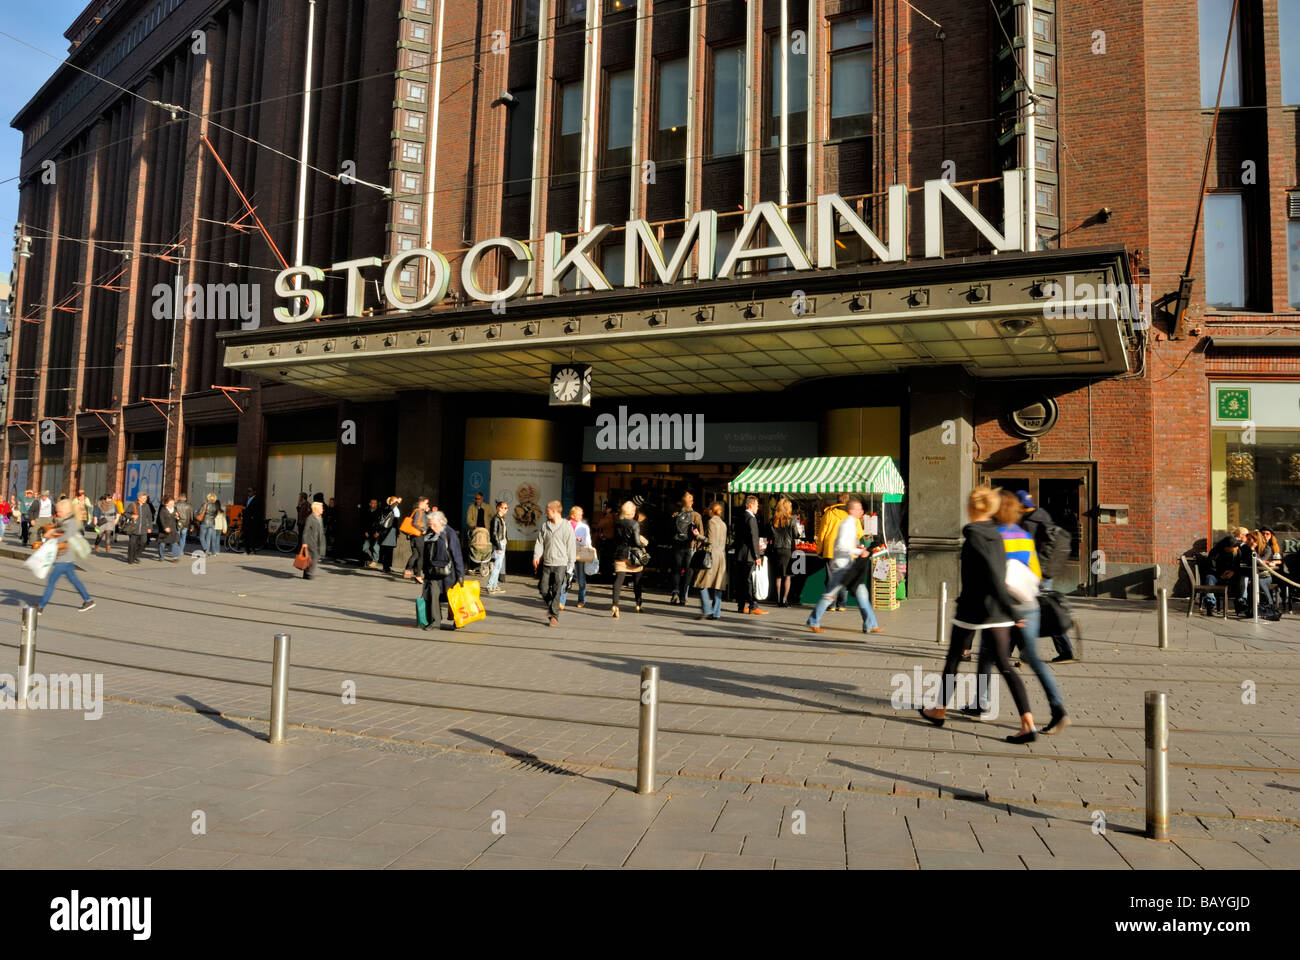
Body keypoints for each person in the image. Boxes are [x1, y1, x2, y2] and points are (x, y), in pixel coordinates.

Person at [919, 486, 1039, 744]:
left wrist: (1009, 609)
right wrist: (1009, 610)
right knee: (1005, 666)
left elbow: (993, 576)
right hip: (997, 611)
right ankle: (1027, 722)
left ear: (970, 508)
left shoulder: (974, 536)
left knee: (953, 660)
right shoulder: (996, 534)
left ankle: (938, 710)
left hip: (975, 610)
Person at [977, 494, 1069, 733]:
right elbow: (1036, 573)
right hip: (1029, 605)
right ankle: (1057, 708)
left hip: (1004, 608)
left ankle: (981, 702)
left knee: (987, 654)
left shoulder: (994, 537)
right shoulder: (1025, 536)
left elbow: (991, 576)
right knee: (1033, 659)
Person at [1014, 490, 1076, 662]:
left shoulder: (1028, 523)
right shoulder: (1043, 516)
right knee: (1045, 610)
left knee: (1029, 611)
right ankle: (1065, 651)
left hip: (1033, 574)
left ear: (1020, 505)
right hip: (1045, 572)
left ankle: (1026, 652)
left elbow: (1026, 551)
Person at [805, 499, 881, 634]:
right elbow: (842, 546)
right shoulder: (847, 524)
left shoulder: (850, 522)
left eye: (861, 509)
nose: (861, 511)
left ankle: (870, 624)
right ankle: (813, 620)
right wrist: (859, 551)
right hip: (841, 566)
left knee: (861, 593)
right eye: (858, 509)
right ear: (851, 510)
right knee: (829, 595)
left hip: (846, 565)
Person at [32, 498, 95, 613]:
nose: (58, 514)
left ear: (66, 511)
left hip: (65, 557)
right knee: (74, 580)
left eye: (59, 511)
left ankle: (41, 606)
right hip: (65, 557)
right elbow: (61, 532)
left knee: (51, 581)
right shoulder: (66, 519)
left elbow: (67, 536)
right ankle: (88, 600)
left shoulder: (72, 522)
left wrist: (51, 539)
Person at [533, 500, 577, 627]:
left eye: (547, 511)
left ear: (554, 511)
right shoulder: (545, 526)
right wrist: (537, 555)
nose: (546, 514)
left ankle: (554, 616)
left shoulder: (566, 526)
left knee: (557, 589)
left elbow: (571, 546)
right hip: (547, 563)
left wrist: (571, 565)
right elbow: (540, 542)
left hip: (561, 564)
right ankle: (552, 605)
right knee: (543, 588)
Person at [420, 510, 465, 631]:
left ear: (441, 522)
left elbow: (457, 554)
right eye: (430, 524)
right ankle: (435, 622)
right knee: (433, 594)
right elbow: (425, 554)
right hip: (433, 572)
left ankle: (459, 620)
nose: (432, 527)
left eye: (434, 525)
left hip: (448, 571)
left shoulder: (449, 533)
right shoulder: (430, 533)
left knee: (453, 597)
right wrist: (423, 571)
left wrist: (461, 574)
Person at [816, 493, 855, 612]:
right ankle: (842, 604)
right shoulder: (851, 515)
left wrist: (819, 550)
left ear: (836, 500)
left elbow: (822, 533)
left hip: (830, 549)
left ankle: (831, 604)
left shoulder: (829, 513)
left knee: (831, 578)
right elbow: (859, 532)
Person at [611, 500, 648, 618]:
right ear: (632, 512)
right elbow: (637, 542)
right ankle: (638, 603)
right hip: (634, 555)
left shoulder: (617, 523)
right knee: (637, 580)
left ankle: (615, 605)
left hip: (620, 554)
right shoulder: (635, 524)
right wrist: (644, 543)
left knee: (619, 580)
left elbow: (615, 539)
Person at [694, 501, 728, 620]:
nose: (707, 510)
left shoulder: (711, 522)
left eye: (709, 508)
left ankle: (707, 609)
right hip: (722, 556)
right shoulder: (723, 524)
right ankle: (716, 612)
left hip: (712, 555)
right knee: (718, 585)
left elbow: (710, 540)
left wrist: (698, 535)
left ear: (712, 510)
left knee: (701, 583)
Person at [733, 495, 767, 615]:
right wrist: (757, 556)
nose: (758, 508)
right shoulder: (751, 518)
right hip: (748, 555)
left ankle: (741, 605)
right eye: (757, 505)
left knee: (741, 580)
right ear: (751, 505)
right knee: (749, 580)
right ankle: (753, 605)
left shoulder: (740, 517)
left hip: (739, 554)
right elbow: (754, 538)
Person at [669, 492, 704, 606]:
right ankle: (683, 598)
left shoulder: (676, 514)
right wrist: (698, 547)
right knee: (688, 573)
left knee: (676, 570)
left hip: (677, 546)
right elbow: (701, 534)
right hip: (690, 547)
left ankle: (675, 591)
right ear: (692, 502)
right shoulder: (696, 515)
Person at [1200, 531, 1244, 616]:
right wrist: (1220, 575)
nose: (1237, 548)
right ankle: (1210, 603)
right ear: (1227, 547)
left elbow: (1238, 565)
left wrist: (1233, 572)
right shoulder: (1215, 552)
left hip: (1231, 576)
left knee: (1242, 578)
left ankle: (1241, 602)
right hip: (1216, 575)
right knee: (1209, 578)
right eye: (1234, 547)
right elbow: (1211, 566)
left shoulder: (1237, 552)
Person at [768, 497, 800, 608]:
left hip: (776, 549)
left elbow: (770, 535)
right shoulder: (791, 520)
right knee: (787, 576)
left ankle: (777, 599)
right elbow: (796, 535)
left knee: (778, 576)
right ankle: (784, 600)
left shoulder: (773, 520)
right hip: (787, 550)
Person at [562, 505, 591, 609]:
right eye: (578, 514)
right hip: (568, 554)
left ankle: (581, 600)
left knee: (581, 578)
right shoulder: (565, 525)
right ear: (572, 515)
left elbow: (587, 542)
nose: (580, 516)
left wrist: (580, 541)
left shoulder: (584, 527)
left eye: (581, 514)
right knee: (566, 577)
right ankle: (562, 601)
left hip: (580, 553)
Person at [404, 496, 431, 582]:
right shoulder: (419, 511)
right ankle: (418, 575)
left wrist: (427, 512)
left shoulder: (418, 511)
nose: (427, 505)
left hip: (414, 536)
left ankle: (408, 570)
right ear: (421, 503)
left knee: (415, 554)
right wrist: (423, 530)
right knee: (420, 556)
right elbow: (415, 523)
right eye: (426, 503)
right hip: (418, 536)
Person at [123, 492, 154, 565]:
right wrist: (132, 516)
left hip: (143, 529)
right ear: (139, 498)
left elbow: (149, 517)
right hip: (134, 528)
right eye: (143, 498)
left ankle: (136, 555)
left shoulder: (146, 506)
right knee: (132, 544)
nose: (145, 500)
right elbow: (125, 513)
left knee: (143, 543)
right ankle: (130, 559)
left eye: (146, 498)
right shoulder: (133, 505)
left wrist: (150, 527)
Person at [486, 500, 509, 595]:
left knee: (498, 566)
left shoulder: (502, 518)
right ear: (499, 508)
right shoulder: (496, 519)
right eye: (504, 508)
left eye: (507, 508)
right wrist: (499, 546)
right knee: (496, 566)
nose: (506, 509)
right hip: (499, 544)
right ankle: (490, 586)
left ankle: (494, 585)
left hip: (503, 543)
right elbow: (494, 534)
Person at [301, 500, 326, 579]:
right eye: (321, 507)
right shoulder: (310, 518)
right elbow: (305, 531)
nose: (323, 509)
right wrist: (304, 542)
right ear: (316, 509)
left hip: (317, 540)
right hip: (310, 541)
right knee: (314, 556)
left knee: (310, 557)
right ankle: (309, 573)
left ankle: (306, 573)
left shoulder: (319, 517)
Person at [378, 496, 401, 573]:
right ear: (392, 502)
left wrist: (397, 532)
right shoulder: (388, 508)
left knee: (389, 549)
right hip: (388, 531)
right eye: (395, 501)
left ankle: (387, 566)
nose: (397, 503)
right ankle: (385, 567)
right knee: (386, 549)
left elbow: (396, 522)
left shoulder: (394, 508)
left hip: (392, 531)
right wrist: (397, 501)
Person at [155, 496, 180, 562]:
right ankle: (161, 557)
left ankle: (175, 557)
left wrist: (178, 517)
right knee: (162, 544)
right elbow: (161, 519)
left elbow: (177, 519)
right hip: (164, 530)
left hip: (173, 529)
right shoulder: (163, 510)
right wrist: (165, 527)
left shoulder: (175, 509)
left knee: (175, 543)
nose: (172, 505)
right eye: (171, 503)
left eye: (173, 503)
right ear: (166, 503)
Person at [243, 487, 264, 554]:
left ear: (254, 492)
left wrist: (254, 517)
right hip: (246, 520)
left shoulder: (257, 500)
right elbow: (245, 507)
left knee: (252, 536)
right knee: (246, 535)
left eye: (250, 491)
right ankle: (247, 550)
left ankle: (252, 549)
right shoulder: (247, 499)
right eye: (248, 491)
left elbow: (259, 510)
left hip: (253, 521)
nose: (248, 493)